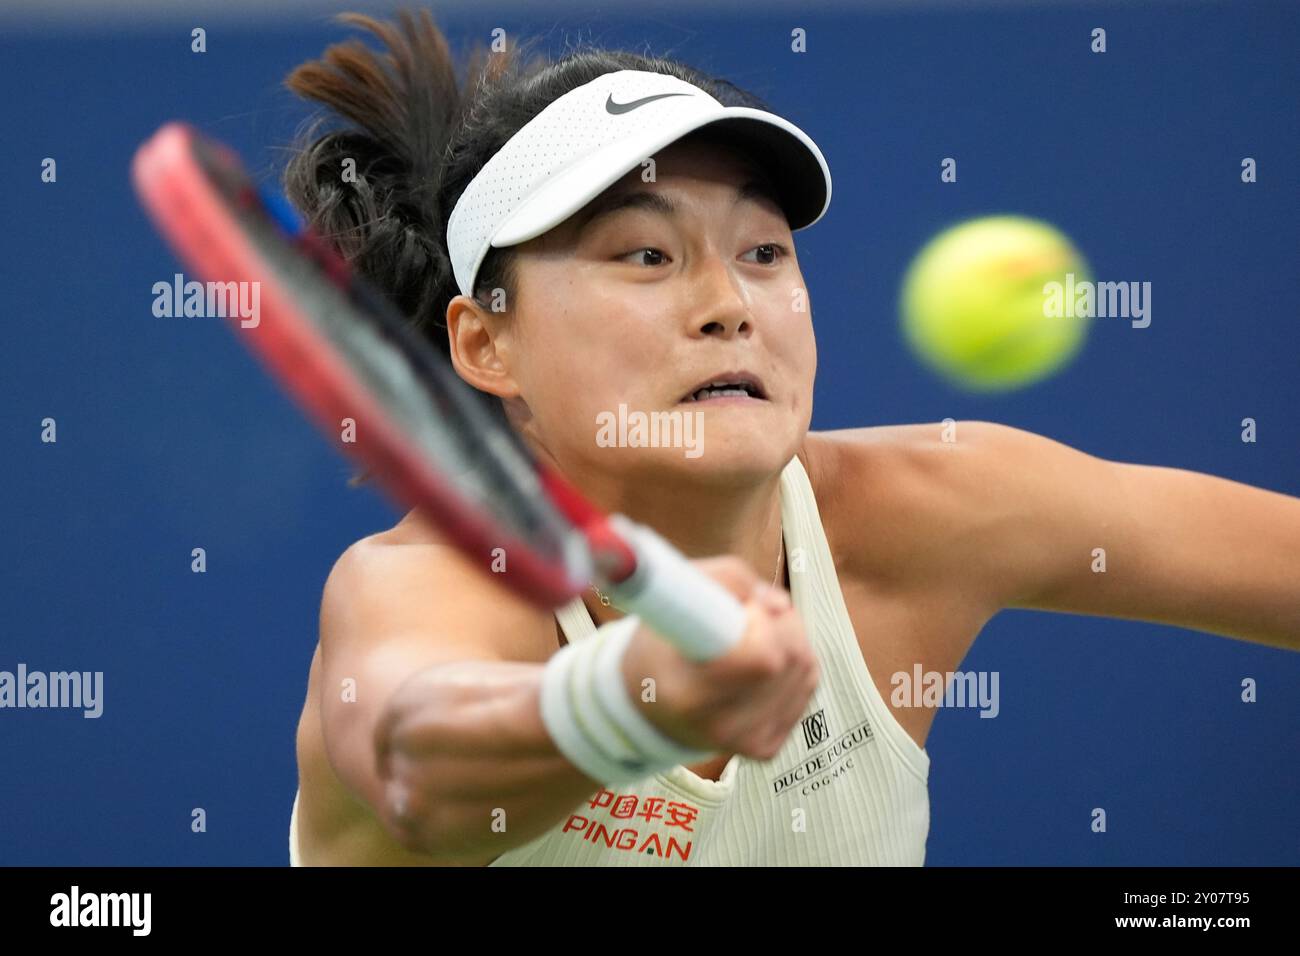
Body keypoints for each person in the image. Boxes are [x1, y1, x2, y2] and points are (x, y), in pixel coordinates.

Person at [282, 10, 1300, 866]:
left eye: (762, 250)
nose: (729, 303)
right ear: (485, 340)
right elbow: (419, 764)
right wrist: (632, 699)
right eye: (645, 253)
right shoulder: (430, 584)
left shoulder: (934, 508)